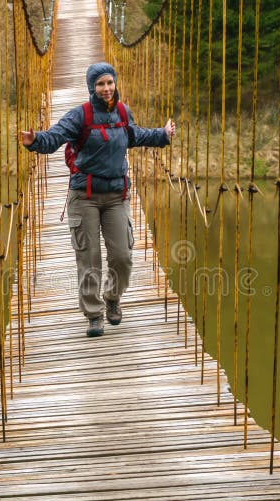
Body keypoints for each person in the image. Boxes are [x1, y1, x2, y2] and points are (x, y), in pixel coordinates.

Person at [20, 62, 176, 337]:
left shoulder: (123, 112)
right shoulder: (80, 115)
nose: (106, 88)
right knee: (89, 258)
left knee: (123, 256)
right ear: (92, 87)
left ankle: (113, 298)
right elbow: (55, 137)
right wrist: (35, 140)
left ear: (115, 84)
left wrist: (162, 135)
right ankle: (94, 314)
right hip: (85, 197)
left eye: (109, 83)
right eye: (100, 84)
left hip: (117, 196)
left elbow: (134, 136)